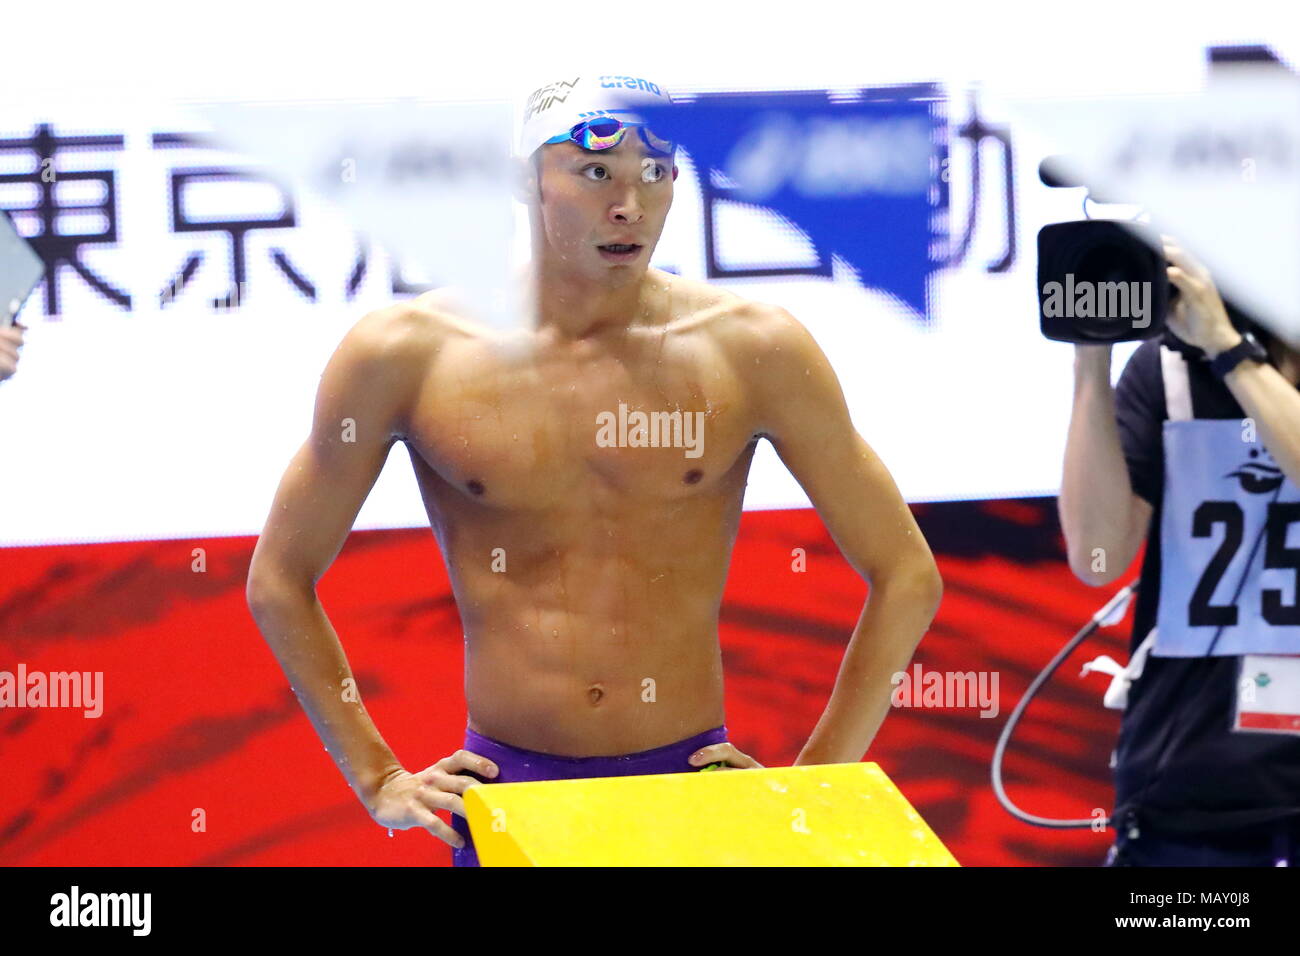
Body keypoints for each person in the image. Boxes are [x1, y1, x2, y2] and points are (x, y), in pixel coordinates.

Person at [246, 73, 943, 866]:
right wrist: (378, 777)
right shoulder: (407, 354)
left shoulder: (754, 349)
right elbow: (279, 579)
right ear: (524, 181)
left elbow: (906, 575)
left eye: (656, 172)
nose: (630, 204)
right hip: (513, 799)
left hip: (693, 801)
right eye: (595, 172)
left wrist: (810, 782)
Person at [1060, 235, 1300, 866]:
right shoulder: (1166, 371)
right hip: (1193, 783)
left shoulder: (1218, 353)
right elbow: (1097, 559)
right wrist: (1090, 359)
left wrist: (1230, 352)